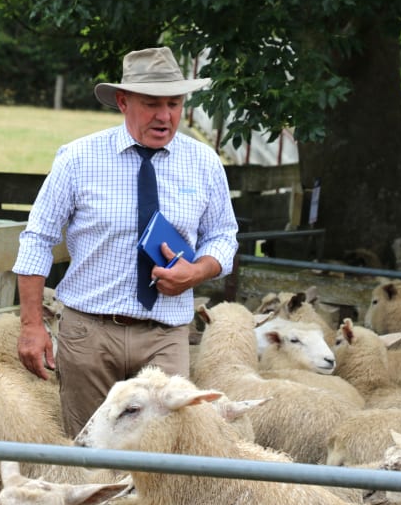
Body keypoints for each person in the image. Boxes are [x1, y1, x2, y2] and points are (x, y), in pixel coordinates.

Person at [13, 46, 239, 437]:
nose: (165, 116)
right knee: (89, 449)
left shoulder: (204, 163)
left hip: (165, 335)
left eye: (174, 104)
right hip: (90, 334)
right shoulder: (78, 159)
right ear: (123, 102)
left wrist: (197, 272)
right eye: (151, 104)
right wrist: (32, 325)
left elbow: (223, 235)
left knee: (166, 451)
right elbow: (37, 239)